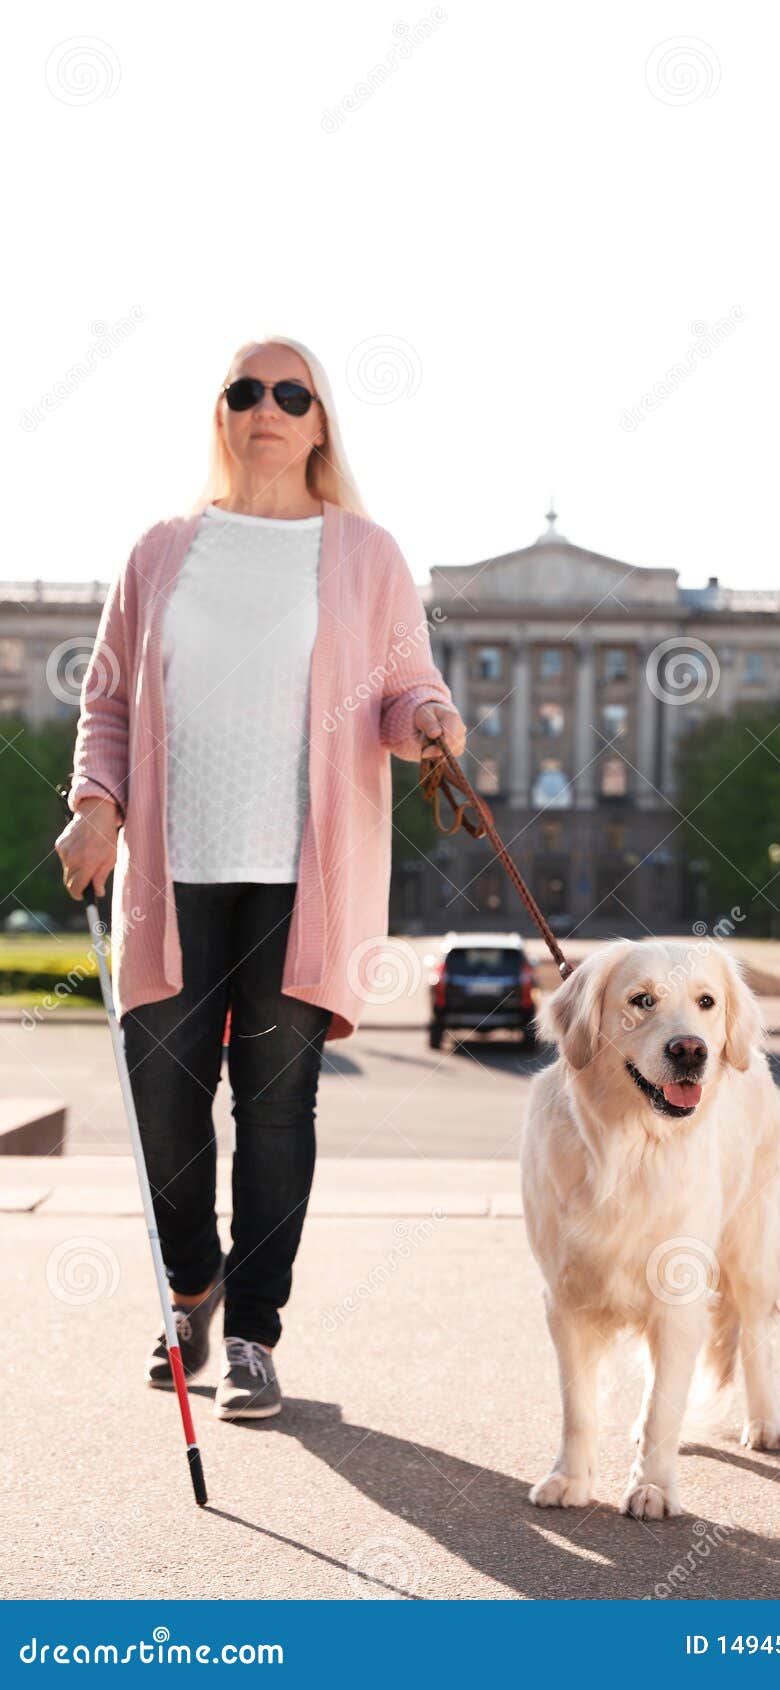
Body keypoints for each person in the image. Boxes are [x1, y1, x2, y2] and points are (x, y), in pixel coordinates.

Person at [54, 335, 466, 1420]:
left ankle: (254, 1334)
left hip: (305, 881)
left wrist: (426, 718)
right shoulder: (161, 550)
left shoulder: (365, 554)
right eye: (246, 390)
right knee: (164, 1106)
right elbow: (108, 705)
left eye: (293, 392)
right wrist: (94, 806)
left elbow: (400, 683)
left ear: (321, 422)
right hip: (171, 875)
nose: (268, 406)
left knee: (276, 1111)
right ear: (223, 416)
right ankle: (192, 1286)